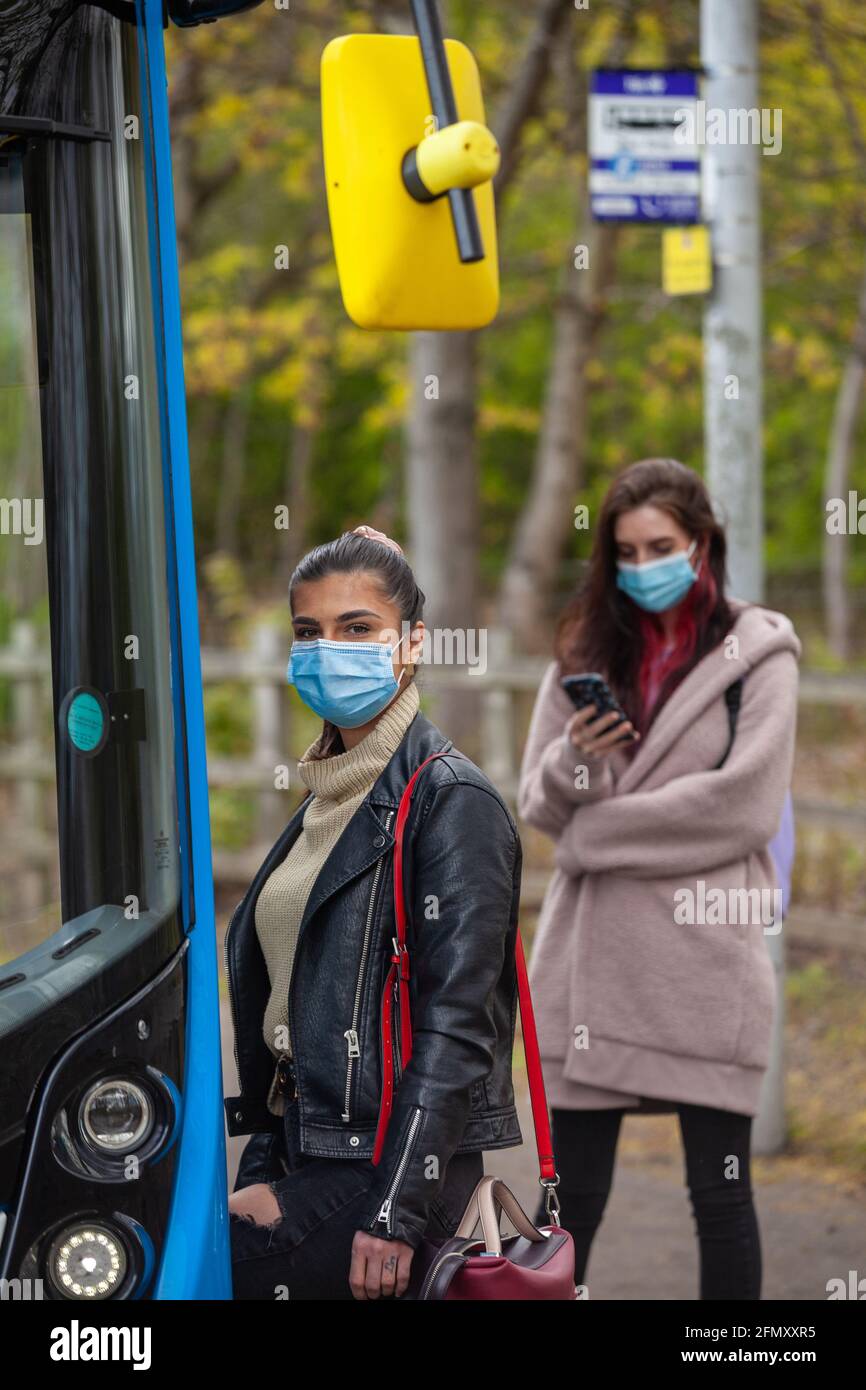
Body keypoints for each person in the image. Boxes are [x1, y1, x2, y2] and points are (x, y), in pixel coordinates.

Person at [517, 458, 801, 1300]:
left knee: (720, 1197)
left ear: (703, 544)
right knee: (573, 1208)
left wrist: (593, 835)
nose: (645, 568)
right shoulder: (584, 648)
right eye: (628, 552)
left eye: (663, 547)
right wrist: (580, 762)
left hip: (706, 970)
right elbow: (540, 799)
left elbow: (741, 809)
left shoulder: (760, 652)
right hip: (589, 972)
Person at [225, 526, 523, 1300]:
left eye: (357, 628)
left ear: (413, 642)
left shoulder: (451, 800)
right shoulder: (329, 797)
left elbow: (458, 1029)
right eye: (308, 632)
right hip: (305, 1147)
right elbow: (292, 1002)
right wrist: (263, 1158)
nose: (329, 650)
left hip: (388, 1171)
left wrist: (395, 1213)